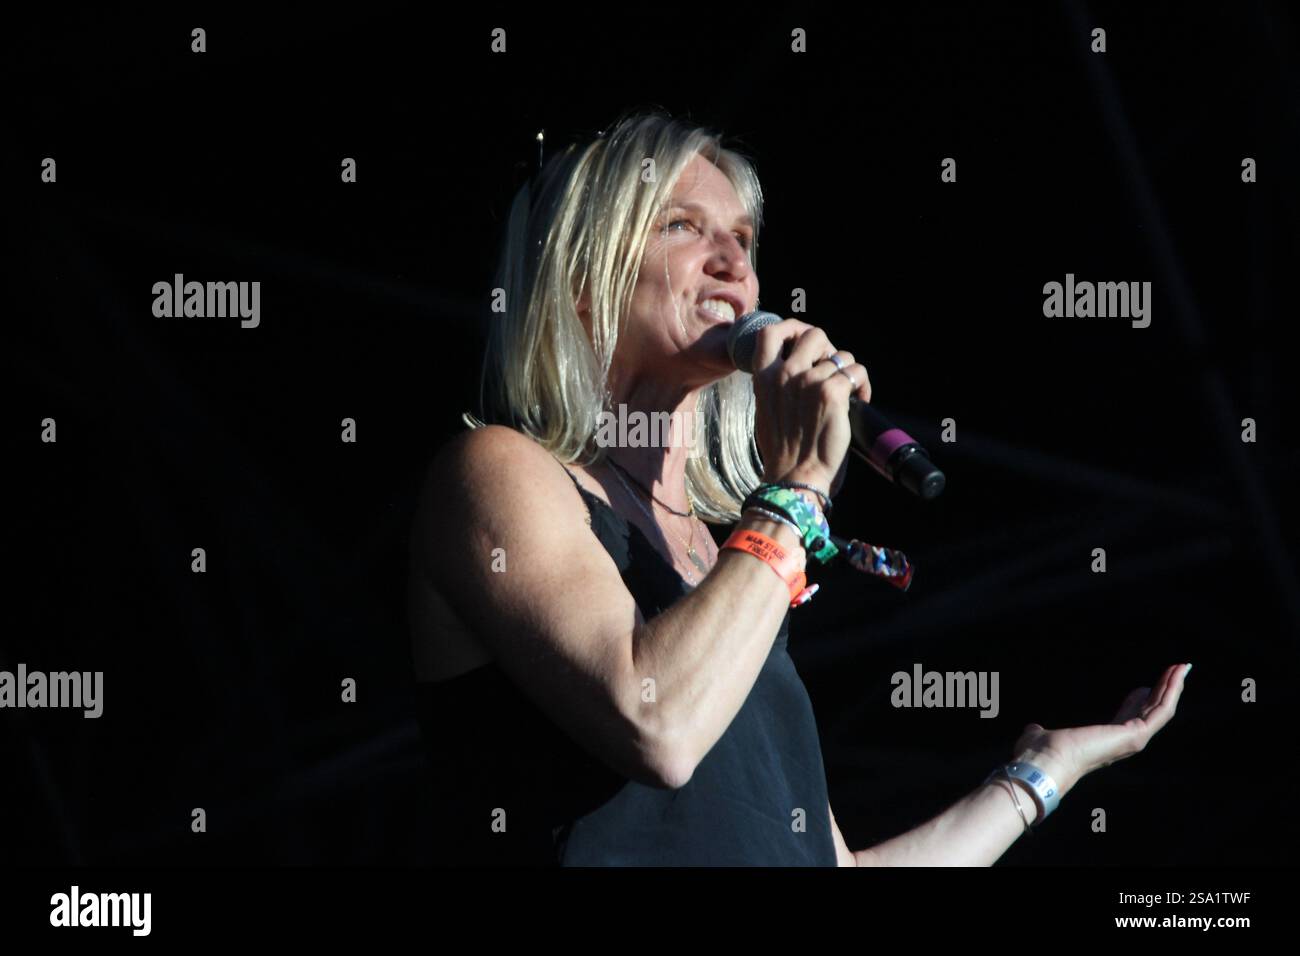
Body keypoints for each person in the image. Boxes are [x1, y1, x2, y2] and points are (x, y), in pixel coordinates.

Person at [407, 110, 1189, 866]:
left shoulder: (727, 570)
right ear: (582, 274)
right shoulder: (499, 472)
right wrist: (800, 488)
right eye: (682, 225)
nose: (733, 263)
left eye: (743, 240)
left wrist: (1039, 776)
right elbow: (656, 723)